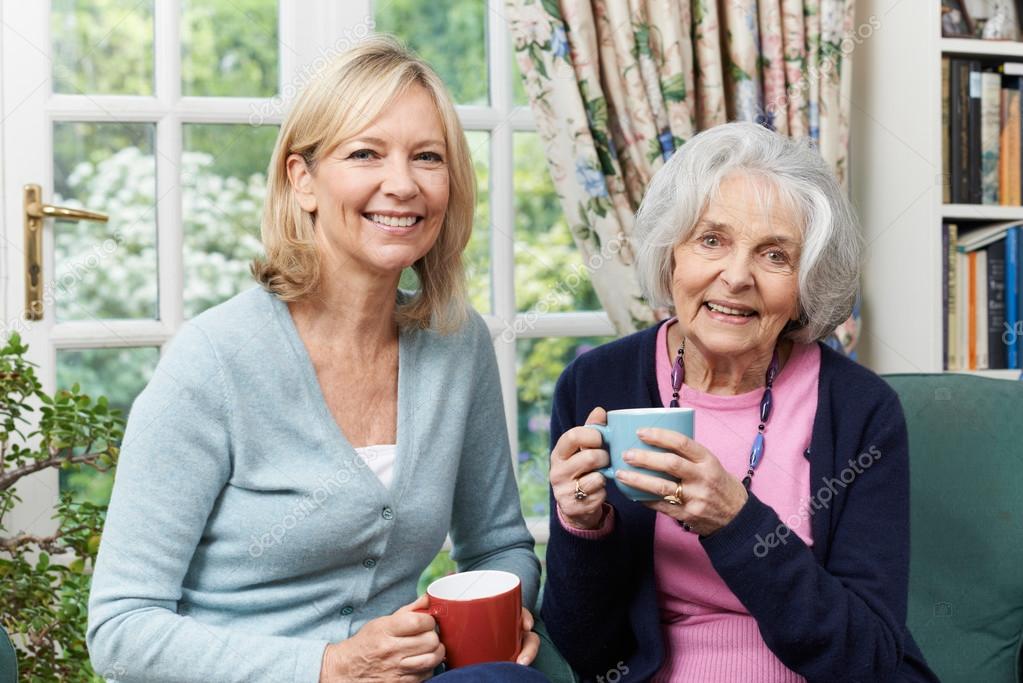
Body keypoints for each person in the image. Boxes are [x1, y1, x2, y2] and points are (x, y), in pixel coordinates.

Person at [87, 36, 545, 683]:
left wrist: (498, 615)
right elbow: (120, 629)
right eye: (365, 153)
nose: (402, 183)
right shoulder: (214, 360)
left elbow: (500, 544)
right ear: (301, 180)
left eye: (427, 157)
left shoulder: (455, 343)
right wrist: (329, 665)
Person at [541, 122, 940, 682]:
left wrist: (735, 521)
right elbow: (583, 649)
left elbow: (868, 657)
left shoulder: (860, 411)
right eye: (712, 240)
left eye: (775, 255)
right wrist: (584, 528)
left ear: (807, 282)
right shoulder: (595, 383)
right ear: (671, 253)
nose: (736, 276)